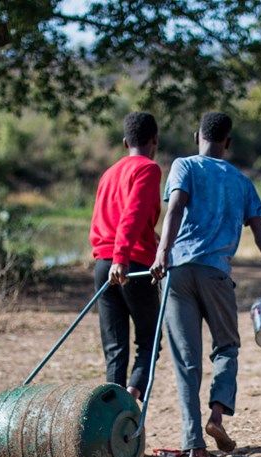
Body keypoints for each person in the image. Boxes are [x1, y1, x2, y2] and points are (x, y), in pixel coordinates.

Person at [150, 111, 261, 457]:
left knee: (186, 362)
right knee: (226, 348)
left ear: (196, 137)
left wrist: (161, 254)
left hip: (177, 273)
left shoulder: (183, 165)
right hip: (216, 275)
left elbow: (174, 209)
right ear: (228, 143)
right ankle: (216, 417)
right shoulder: (241, 182)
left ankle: (195, 447)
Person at [89, 111, 162, 403]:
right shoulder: (148, 169)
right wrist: (122, 257)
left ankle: (111, 416)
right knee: (149, 340)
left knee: (115, 348)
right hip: (131, 265)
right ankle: (131, 398)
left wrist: (108, 258)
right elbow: (132, 215)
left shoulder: (109, 173)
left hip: (103, 265)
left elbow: (104, 219)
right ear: (155, 140)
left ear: (124, 142)